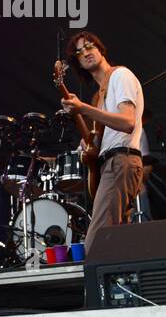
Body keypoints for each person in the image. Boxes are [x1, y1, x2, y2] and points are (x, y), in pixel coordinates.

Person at [59, 31, 145, 255]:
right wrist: (88, 147)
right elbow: (96, 144)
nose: (85, 52)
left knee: (97, 241)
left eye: (89, 46)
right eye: (79, 52)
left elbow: (127, 122)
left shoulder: (120, 76)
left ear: (100, 49)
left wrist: (83, 109)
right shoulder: (99, 98)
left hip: (121, 161)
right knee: (116, 242)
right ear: (78, 63)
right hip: (111, 163)